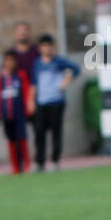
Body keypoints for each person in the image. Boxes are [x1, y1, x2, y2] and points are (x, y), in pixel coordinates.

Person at [30, 33, 81, 171]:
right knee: (39, 132)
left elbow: (76, 69)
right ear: (40, 48)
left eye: (49, 46)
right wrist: (31, 100)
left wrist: (66, 81)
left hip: (56, 102)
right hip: (41, 102)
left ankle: (55, 160)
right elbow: (33, 83)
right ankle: (39, 161)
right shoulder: (37, 64)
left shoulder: (59, 61)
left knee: (56, 132)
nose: (47, 49)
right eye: (44, 46)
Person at [0, 51, 33, 175]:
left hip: (19, 114)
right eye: (7, 59)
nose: (10, 62)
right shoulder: (1, 78)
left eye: (12, 59)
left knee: (22, 139)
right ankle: (15, 167)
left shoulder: (20, 75)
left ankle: (26, 165)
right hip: (7, 115)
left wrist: (28, 108)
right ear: (4, 62)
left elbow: (26, 92)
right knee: (11, 141)